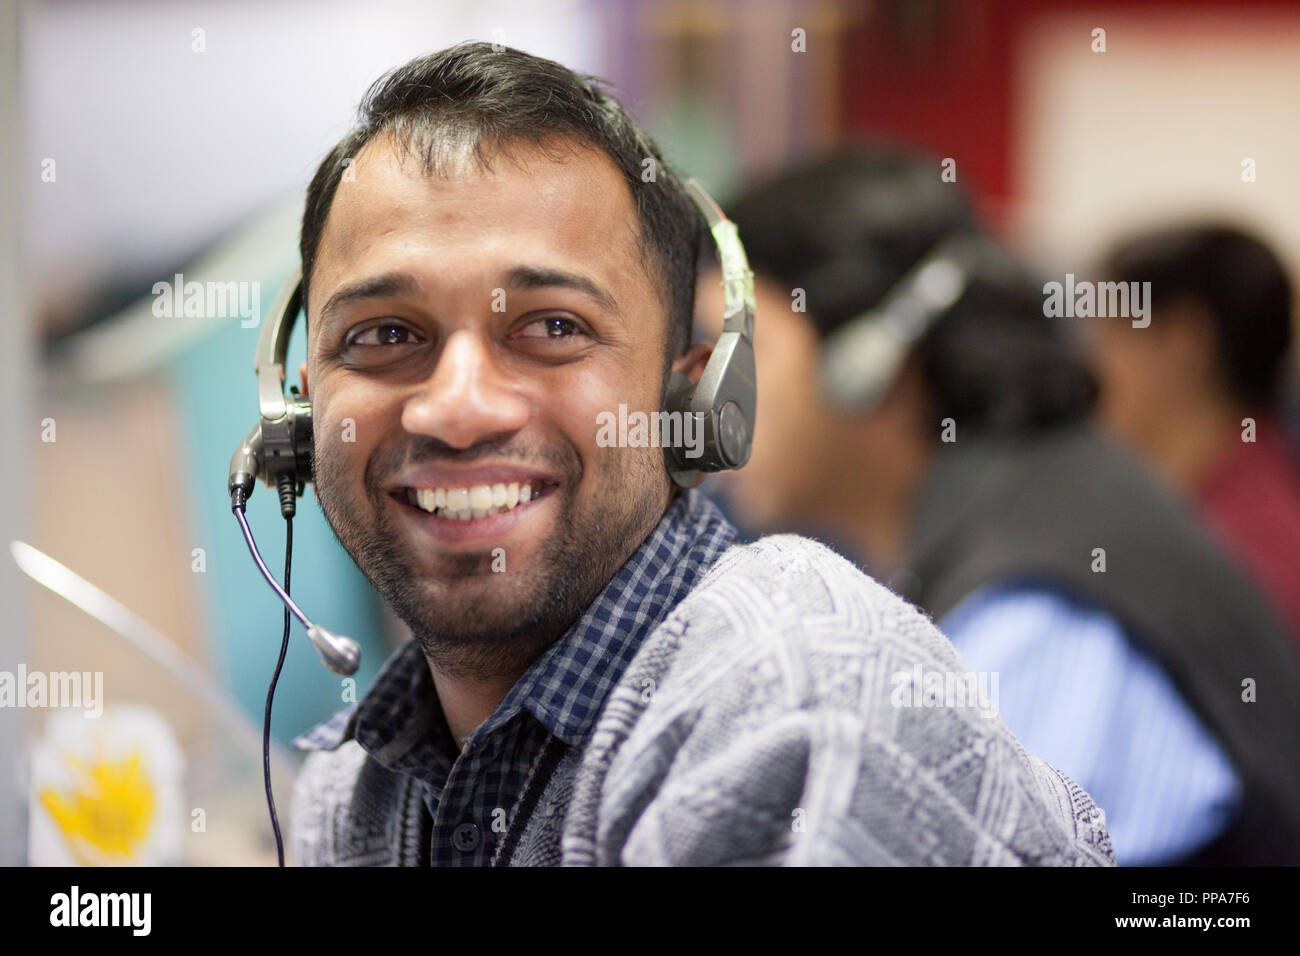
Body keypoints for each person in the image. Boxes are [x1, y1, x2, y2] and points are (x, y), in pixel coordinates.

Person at [284, 44, 1114, 867]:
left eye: (551, 327)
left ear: (688, 404)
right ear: (296, 408)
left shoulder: (794, 698)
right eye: (384, 335)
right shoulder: (351, 784)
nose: (457, 410)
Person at [696, 144, 1300, 865]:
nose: (713, 395)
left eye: (741, 344)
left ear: (866, 360)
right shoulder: (1029, 507)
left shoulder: (1038, 614)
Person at [1094, 225, 1300, 649]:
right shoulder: (1197, 506)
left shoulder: (1246, 551)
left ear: (1183, 343)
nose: (1092, 359)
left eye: (1111, 330)